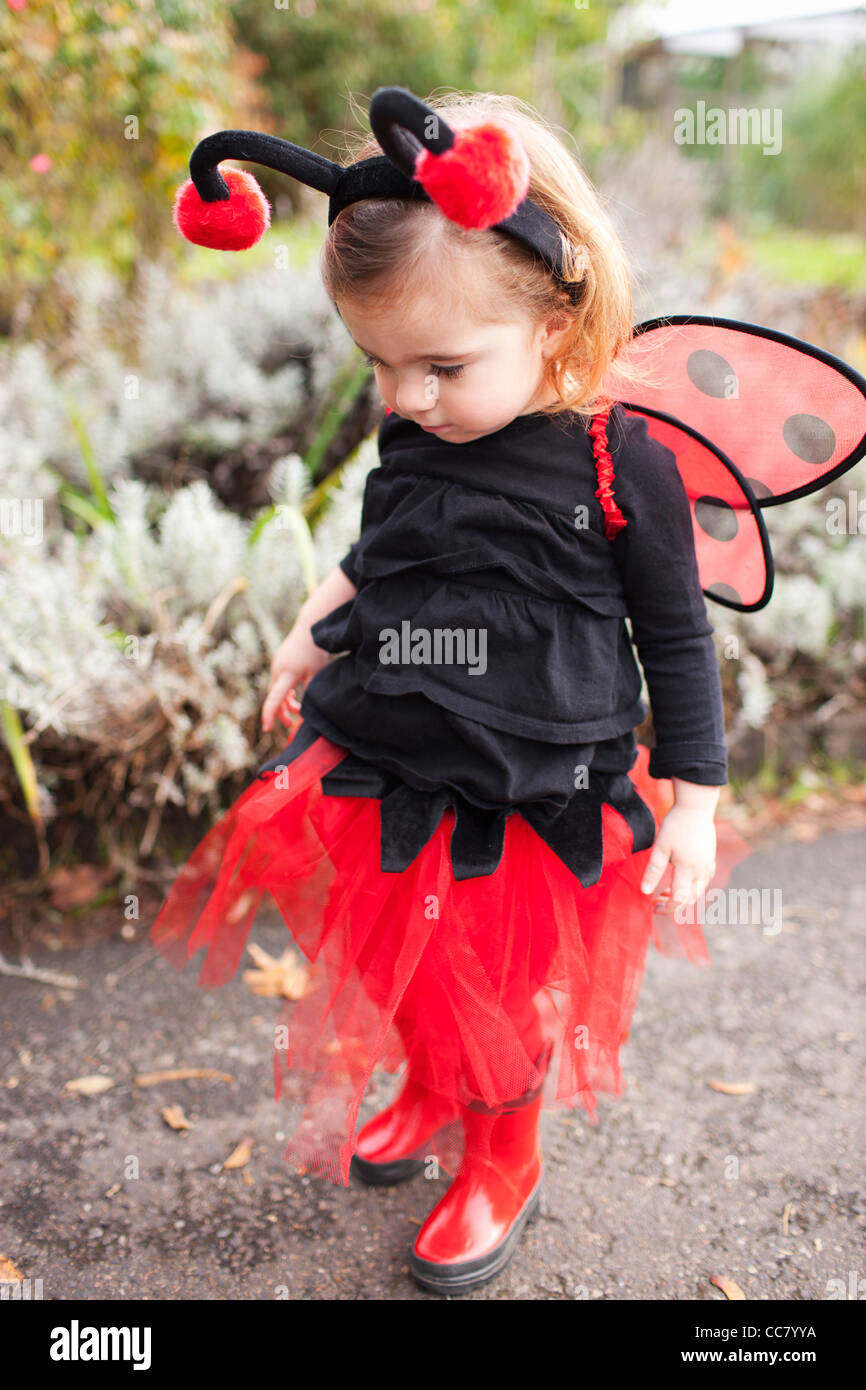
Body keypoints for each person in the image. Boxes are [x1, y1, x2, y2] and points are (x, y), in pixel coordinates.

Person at [151, 86, 829, 1297]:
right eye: (382, 366)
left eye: (442, 365)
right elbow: (382, 553)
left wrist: (692, 802)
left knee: (502, 991)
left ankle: (501, 1156)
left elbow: (675, 639)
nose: (407, 397)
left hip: (529, 788)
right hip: (385, 746)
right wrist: (313, 634)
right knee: (395, 951)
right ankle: (427, 1082)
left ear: (557, 327)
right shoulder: (417, 434)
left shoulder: (622, 468)